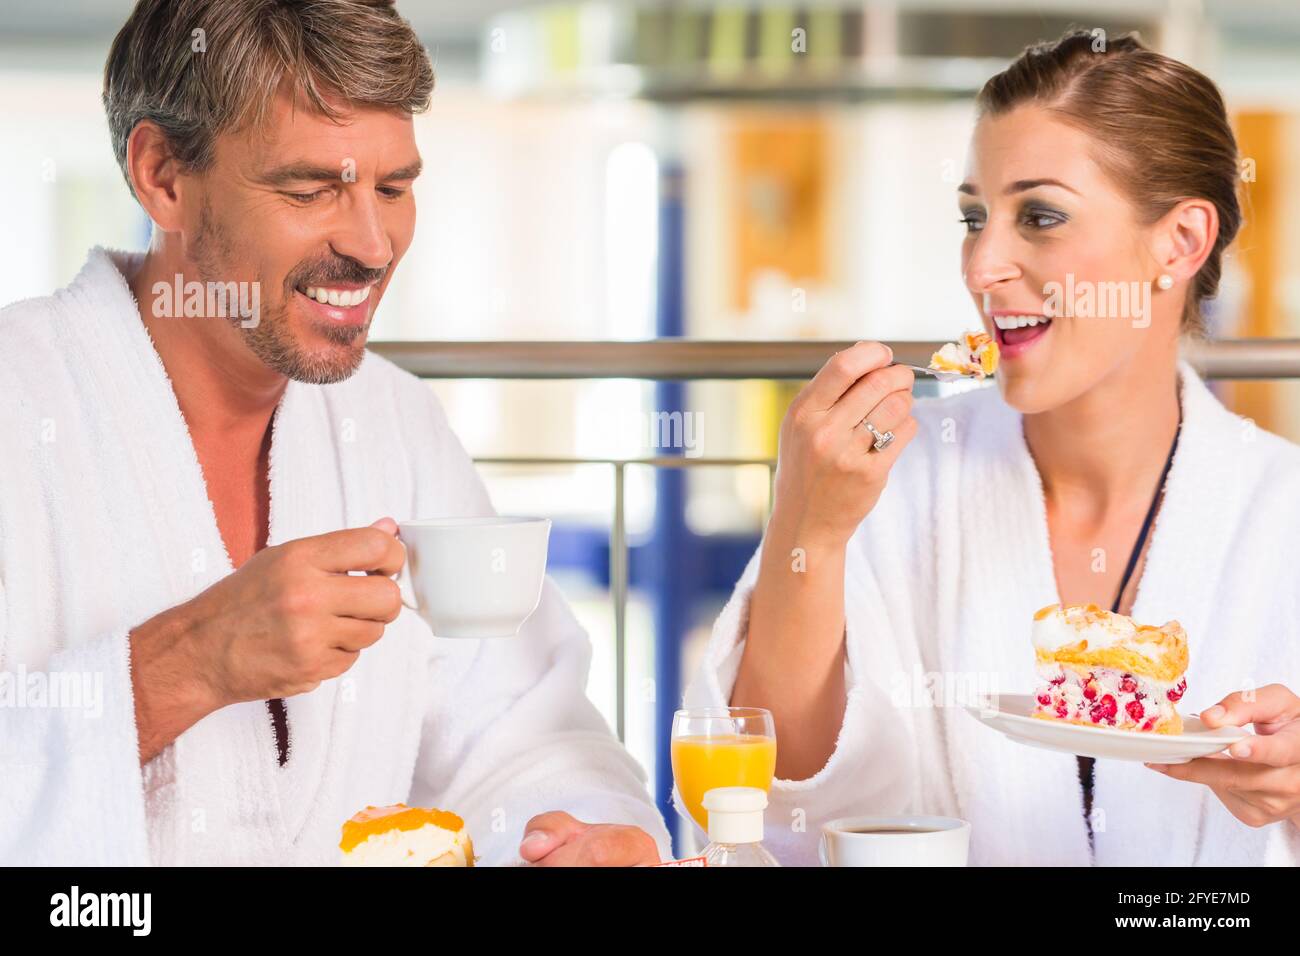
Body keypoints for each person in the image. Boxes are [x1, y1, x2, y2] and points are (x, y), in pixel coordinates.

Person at [0, 0, 666, 866]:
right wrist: (189, 661)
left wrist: (577, 833)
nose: (372, 243)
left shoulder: (395, 423)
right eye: (310, 188)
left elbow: (522, 734)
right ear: (162, 174)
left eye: (394, 188)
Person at [685, 30, 1300, 865]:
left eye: (1039, 215)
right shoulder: (899, 478)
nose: (982, 266)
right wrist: (807, 526)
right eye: (975, 218)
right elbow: (769, 804)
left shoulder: (1281, 511)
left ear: (1181, 243)